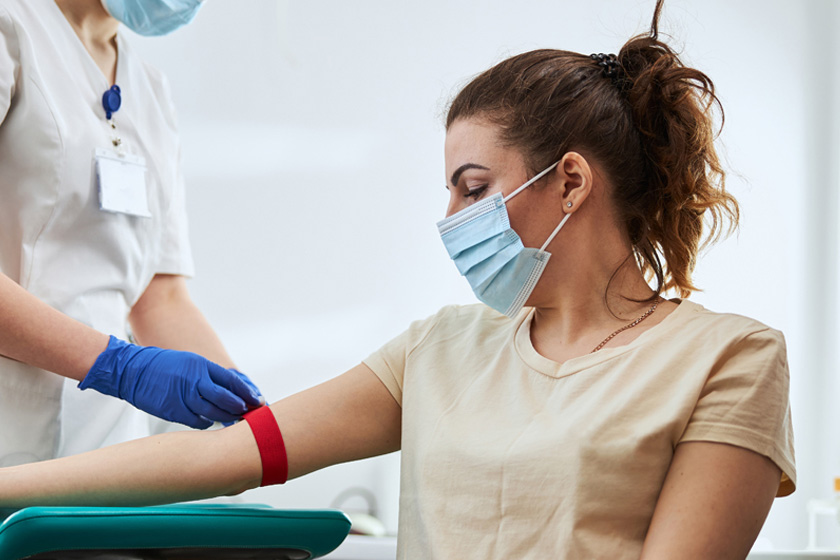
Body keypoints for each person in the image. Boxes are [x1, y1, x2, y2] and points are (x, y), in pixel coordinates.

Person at [0, 1, 795, 558]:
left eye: (475, 188)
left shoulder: (729, 361)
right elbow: (234, 455)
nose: (449, 215)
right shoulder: (441, 350)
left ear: (573, 182)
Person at [0, 0, 263, 468]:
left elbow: (159, 297)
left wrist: (253, 420)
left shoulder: (151, 91)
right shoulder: (12, 28)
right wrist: (118, 366)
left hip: (107, 453)